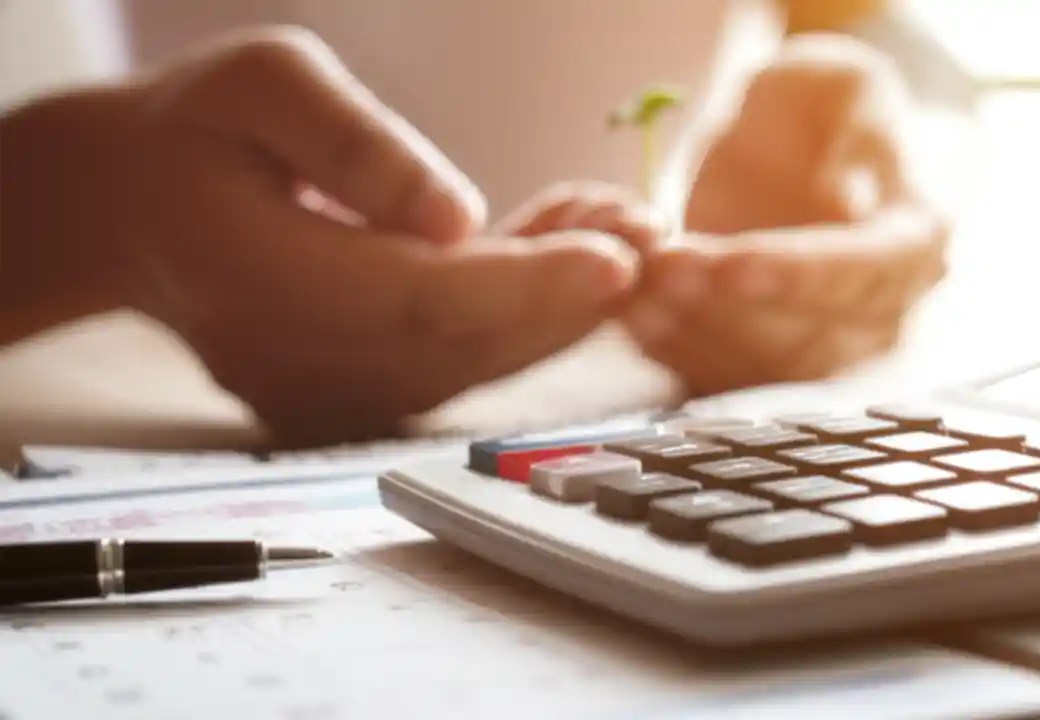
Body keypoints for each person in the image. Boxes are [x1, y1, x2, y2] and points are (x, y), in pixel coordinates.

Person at [0, 7, 946, 440]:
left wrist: (860, 140)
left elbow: (894, 46)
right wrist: (79, 205)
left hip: (616, 412)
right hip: (88, 430)